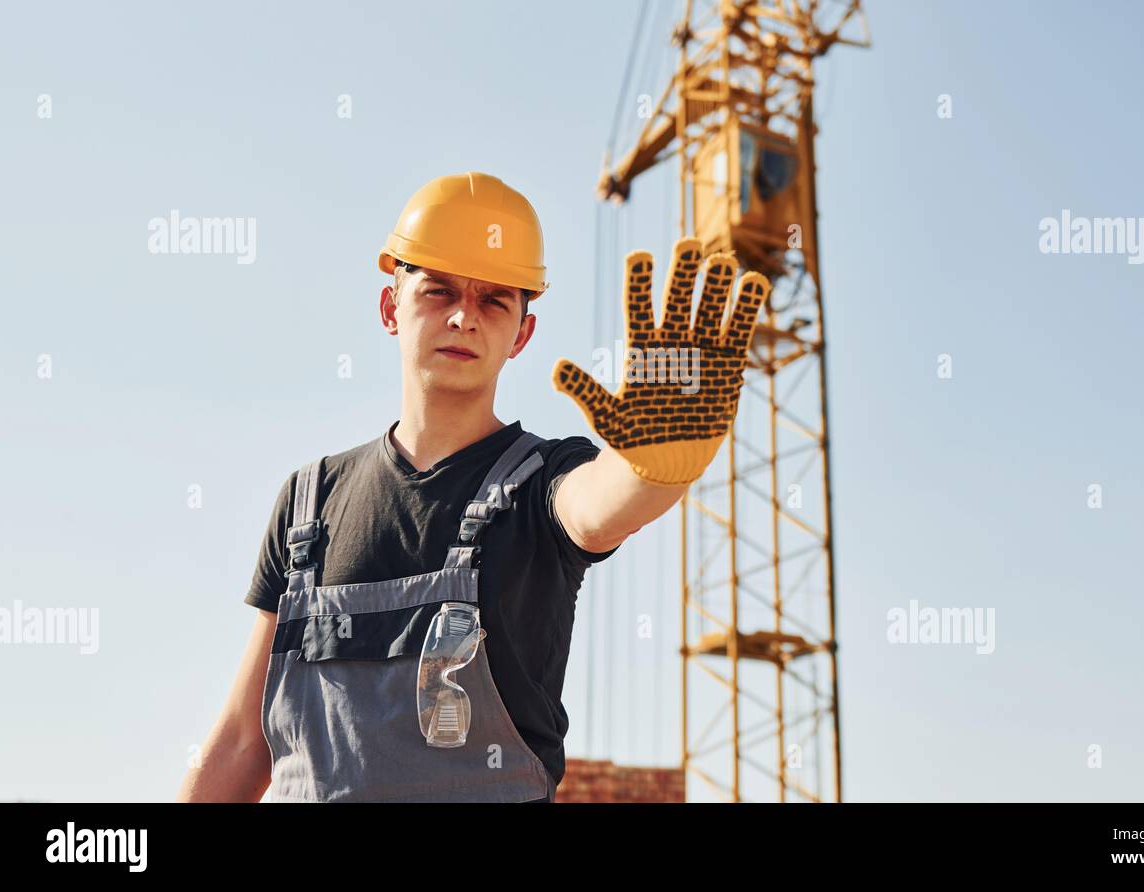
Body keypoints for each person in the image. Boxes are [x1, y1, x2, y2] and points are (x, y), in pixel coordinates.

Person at [176, 171, 768, 802]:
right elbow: (244, 742)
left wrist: (652, 467)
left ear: (522, 334)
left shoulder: (541, 485)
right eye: (439, 291)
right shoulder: (308, 504)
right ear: (389, 307)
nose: (463, 317)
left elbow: (601, 506)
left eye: (493, 301)